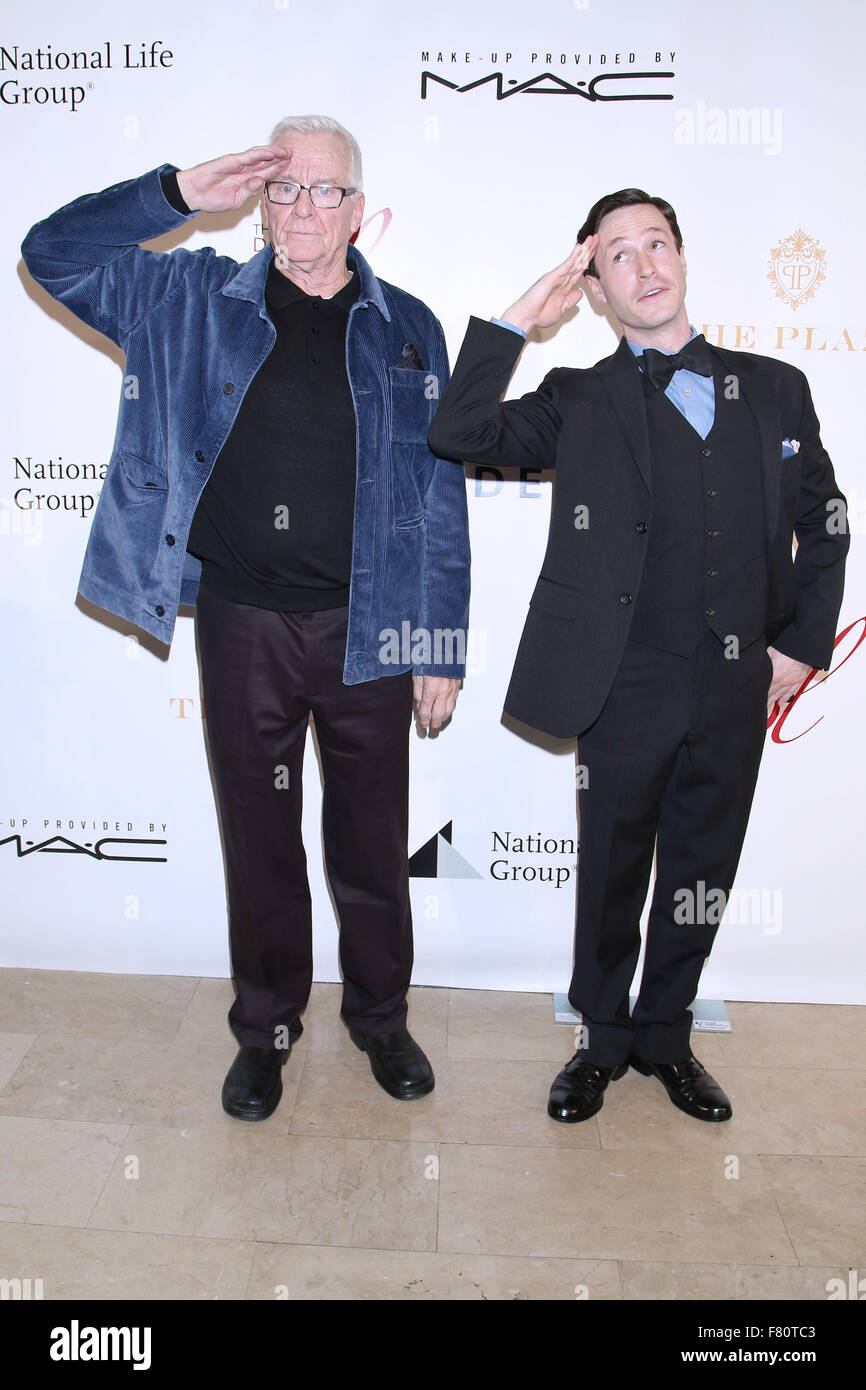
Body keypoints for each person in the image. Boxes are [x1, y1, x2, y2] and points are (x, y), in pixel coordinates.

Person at [22, 115, 470, 1120]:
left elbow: (438, 498)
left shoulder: (410, 327)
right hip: (242, 622)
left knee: (370, 838)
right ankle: (264, 1029)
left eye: (324, 191)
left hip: (372, 628)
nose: (302, 208)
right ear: (260, 202)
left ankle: (380, 1019)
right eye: (283, 188)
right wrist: (177, 193)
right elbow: (50, 254)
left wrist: (438, 641)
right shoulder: (185, 299)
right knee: (260, 839)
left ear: (358, 211)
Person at [428, 188, 848, 1124]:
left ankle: (667, 1036)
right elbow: (456, 435)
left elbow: (826, 520)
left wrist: (801, 644)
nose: (644, 264)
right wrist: (518, 322)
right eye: (618, 254)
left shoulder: (775, 386)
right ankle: (602, 1039)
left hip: (740, 678)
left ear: (684, 259)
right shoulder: (578, 398)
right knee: (613, 870)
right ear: (597, 285)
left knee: (702, 869)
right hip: (621, 679)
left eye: (657, 244)